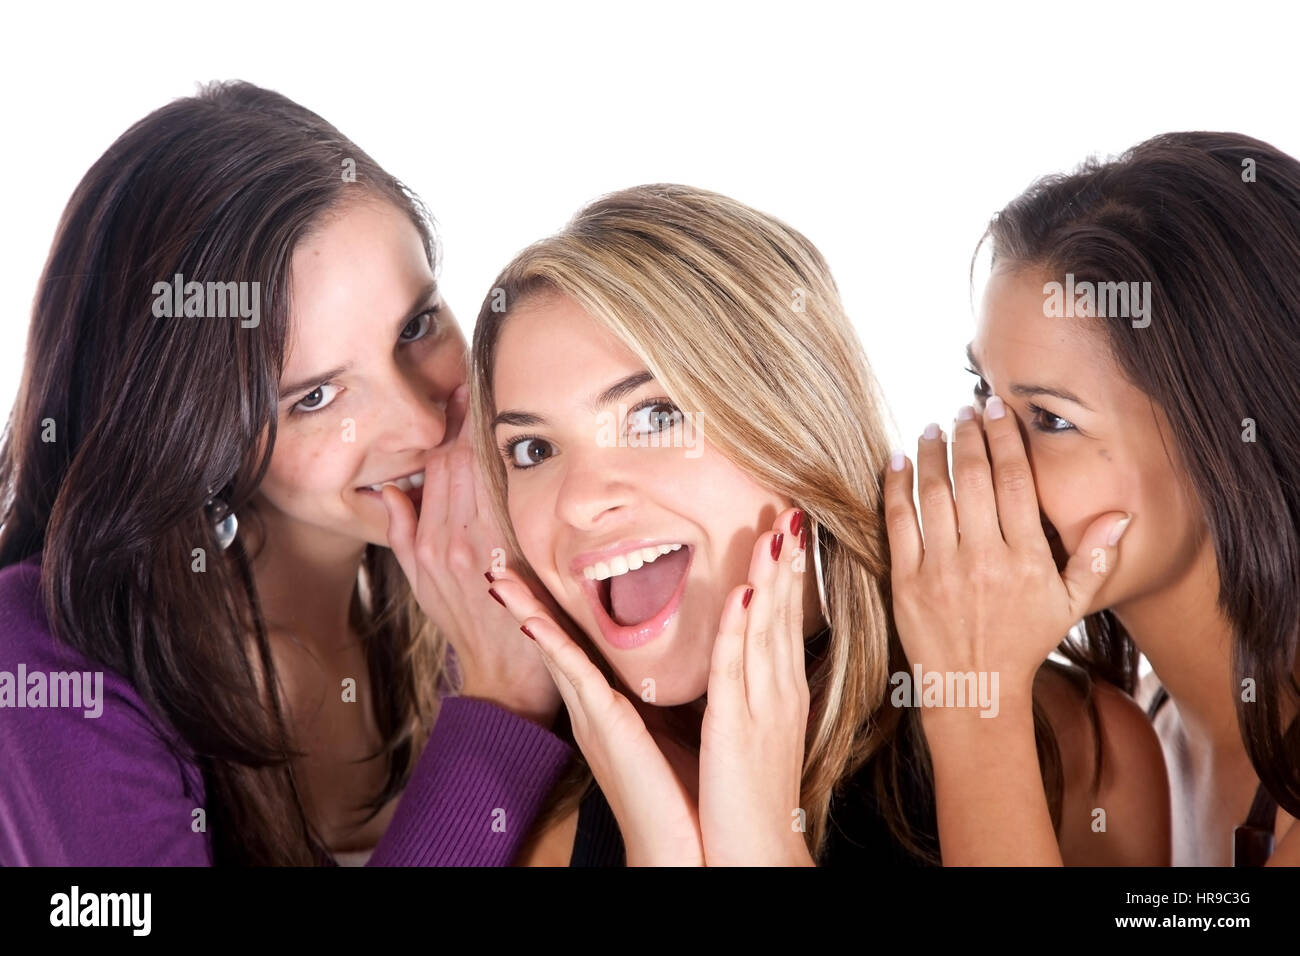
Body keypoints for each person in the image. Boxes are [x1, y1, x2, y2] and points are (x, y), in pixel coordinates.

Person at [467, 183, 1169, 865]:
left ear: (797, 422)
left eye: (657, 415)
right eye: (533, 449)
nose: (578, 504)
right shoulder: (532, 826)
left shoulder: (1075, 751)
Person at [0, 81, 567, 866]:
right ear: (193, 440)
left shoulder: (473, 599)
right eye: (317, 396)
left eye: (416, 326)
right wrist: (502, 708)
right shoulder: (40, 653)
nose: (423, 421)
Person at [885, 131, 1300, 865]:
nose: (985, 458)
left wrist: (976, 713)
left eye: (1050, 420)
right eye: (985, 395)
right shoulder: (1124, 746)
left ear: (1229, 445)